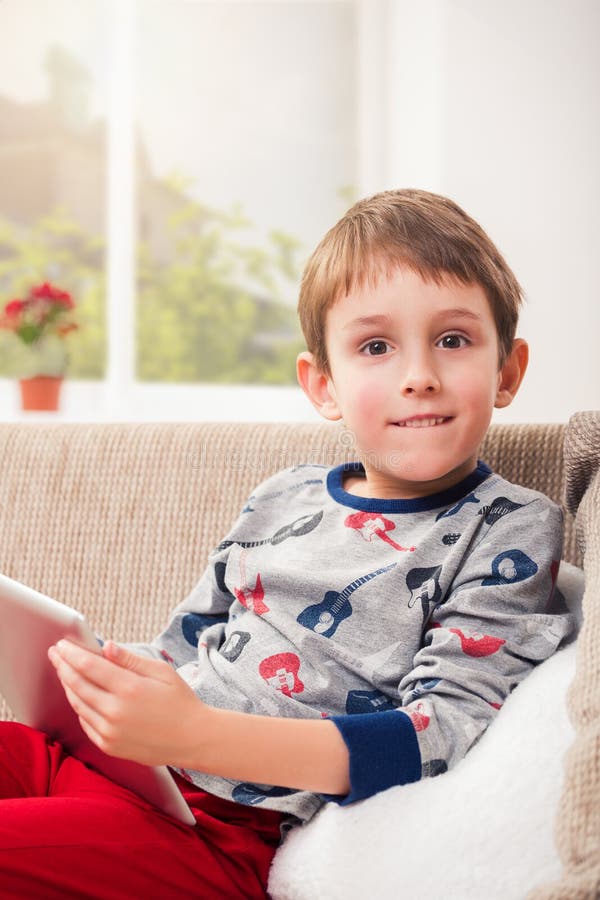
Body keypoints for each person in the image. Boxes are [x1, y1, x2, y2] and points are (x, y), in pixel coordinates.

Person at [0, 189, 574, 898]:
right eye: (375, 347)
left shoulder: (509, 526)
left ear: (508, 371)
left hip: (217, 831)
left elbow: (435, 731)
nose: (419, 374)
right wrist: (101, 678)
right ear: (324, 385)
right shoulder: (283, 495)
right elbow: (183, 648)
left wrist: (189, 735)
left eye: (452, 340)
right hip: (116, 767)